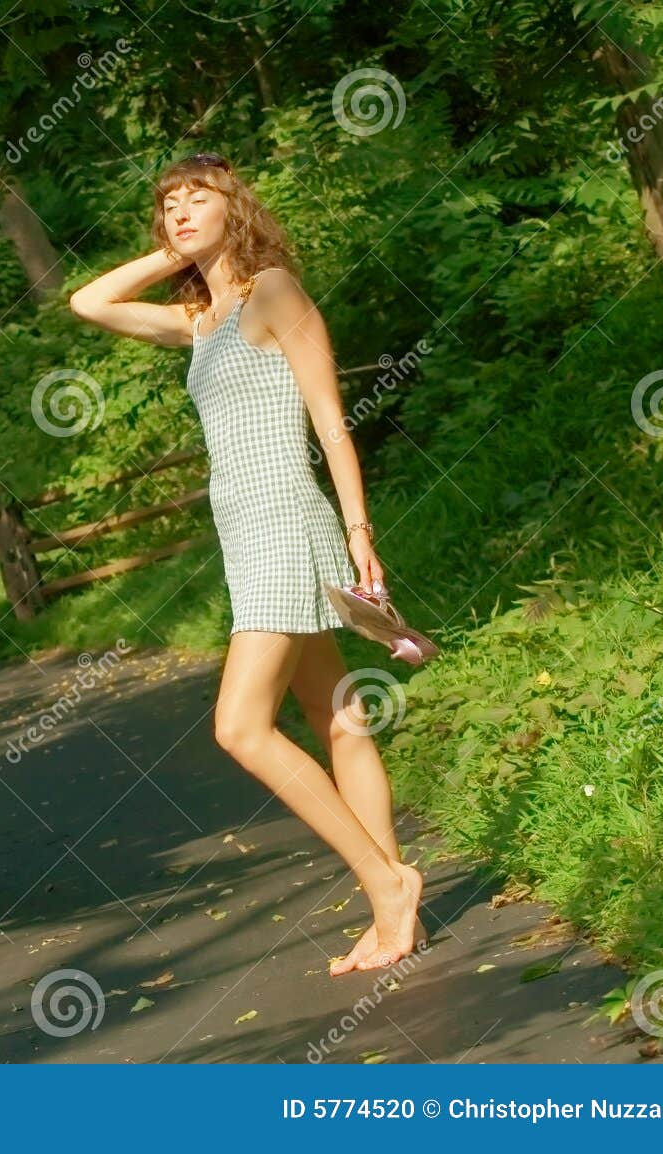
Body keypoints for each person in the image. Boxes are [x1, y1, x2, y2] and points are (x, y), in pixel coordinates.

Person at [68, 152, 425, 974]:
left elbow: (332, 422)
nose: (180, 213)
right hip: (244, 532)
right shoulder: (202, 318)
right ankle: (391, 909)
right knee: (340, 715)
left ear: (238, 207)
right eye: (168, 206)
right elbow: (89, 302)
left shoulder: (274, 292)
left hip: (284, 522)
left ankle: (386, 881)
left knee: (239, 726)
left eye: (199, 200)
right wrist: (182, 253)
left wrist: (361, 531)